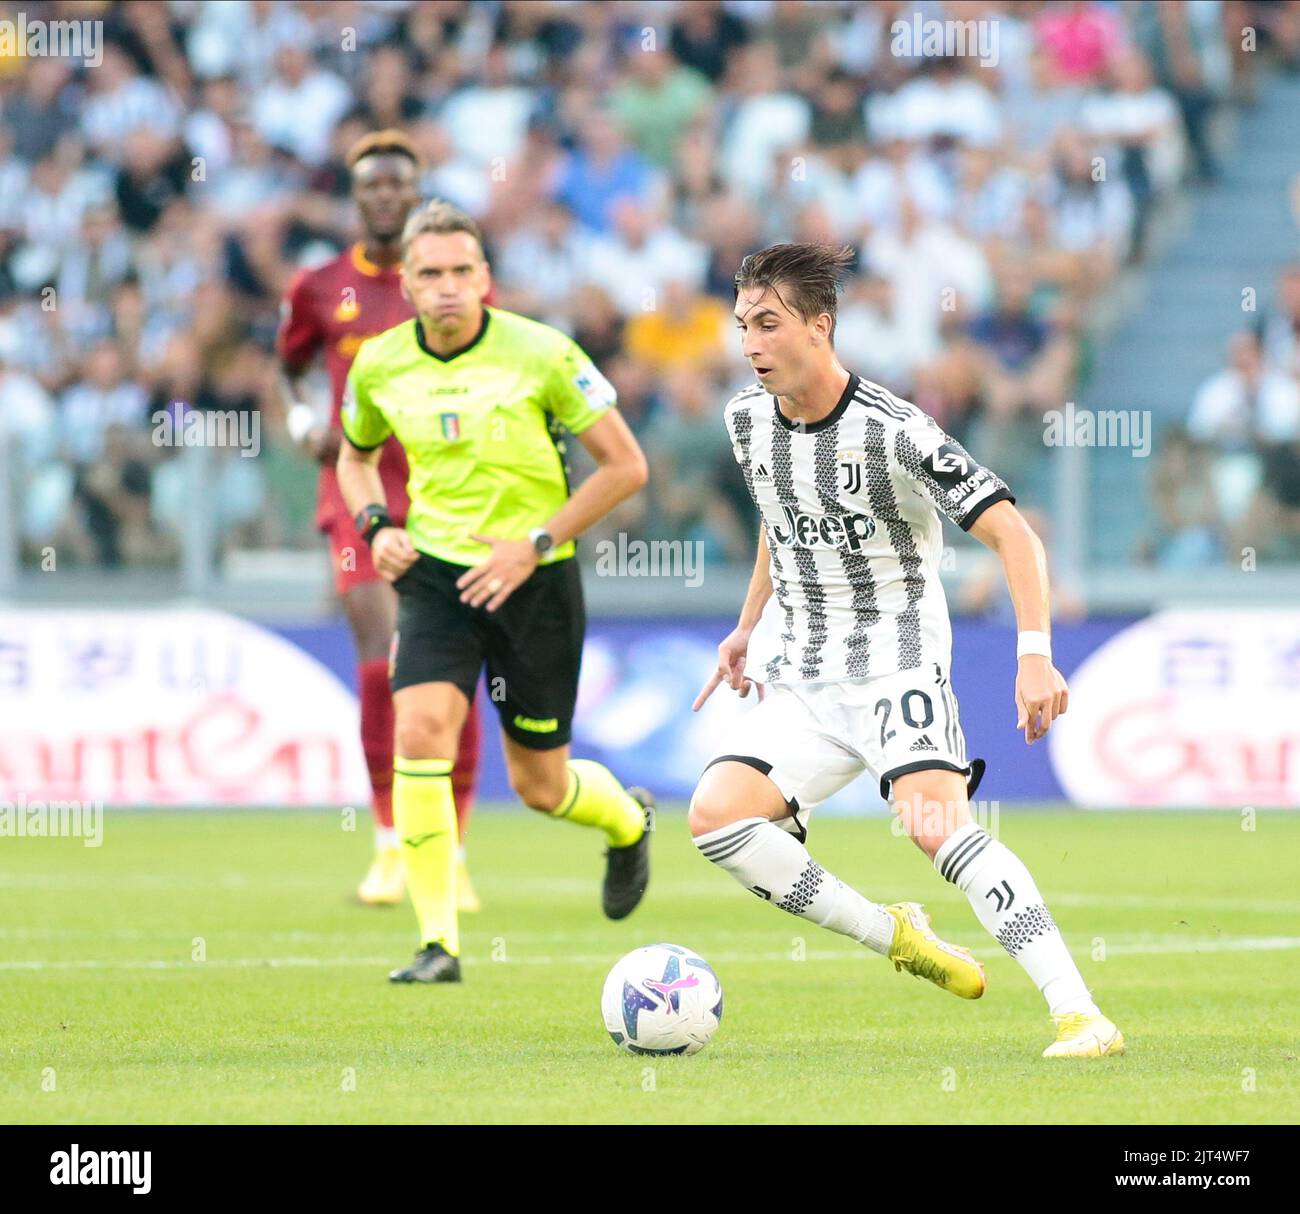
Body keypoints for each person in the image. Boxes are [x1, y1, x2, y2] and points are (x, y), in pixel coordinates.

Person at [691, 242, 1125, 1058]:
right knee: (716, 820)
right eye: (743, 324)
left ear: (820, 327)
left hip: (896, 665)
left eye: (768, 324)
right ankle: (894, 934)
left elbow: (1015, 536)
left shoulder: (896, 433)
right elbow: (779, 521)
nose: (749, 343)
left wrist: (1036, 653)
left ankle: (1080, 1013)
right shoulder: (746, 419)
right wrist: (749, 624)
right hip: (804, 676)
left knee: (935, 827)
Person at [337, 199, 653, 984]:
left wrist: (535, 543)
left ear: (486, 279)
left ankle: (626, 821)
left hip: (535, 579)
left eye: (460, 272)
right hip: (438, 577)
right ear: (405, 284)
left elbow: (627, 467)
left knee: (541, 786)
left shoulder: (544, 353)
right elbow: (353, 458)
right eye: (430, 274)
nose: (446, 287)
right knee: (420, 733)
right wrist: (378, 527)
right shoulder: (378, 363)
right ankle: (437, 943)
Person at [277, 131, 482, 910]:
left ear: (418, 190)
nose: (386, 195)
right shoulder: (322, 285)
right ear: (356, 196)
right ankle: (392, 841)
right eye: (373, 185)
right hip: (355, 487)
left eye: (400, 183)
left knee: (449, 670)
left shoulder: (451, 279)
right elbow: (287, 368)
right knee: (379, 658)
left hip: (447, 491)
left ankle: (452, 849)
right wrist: (302, 425)